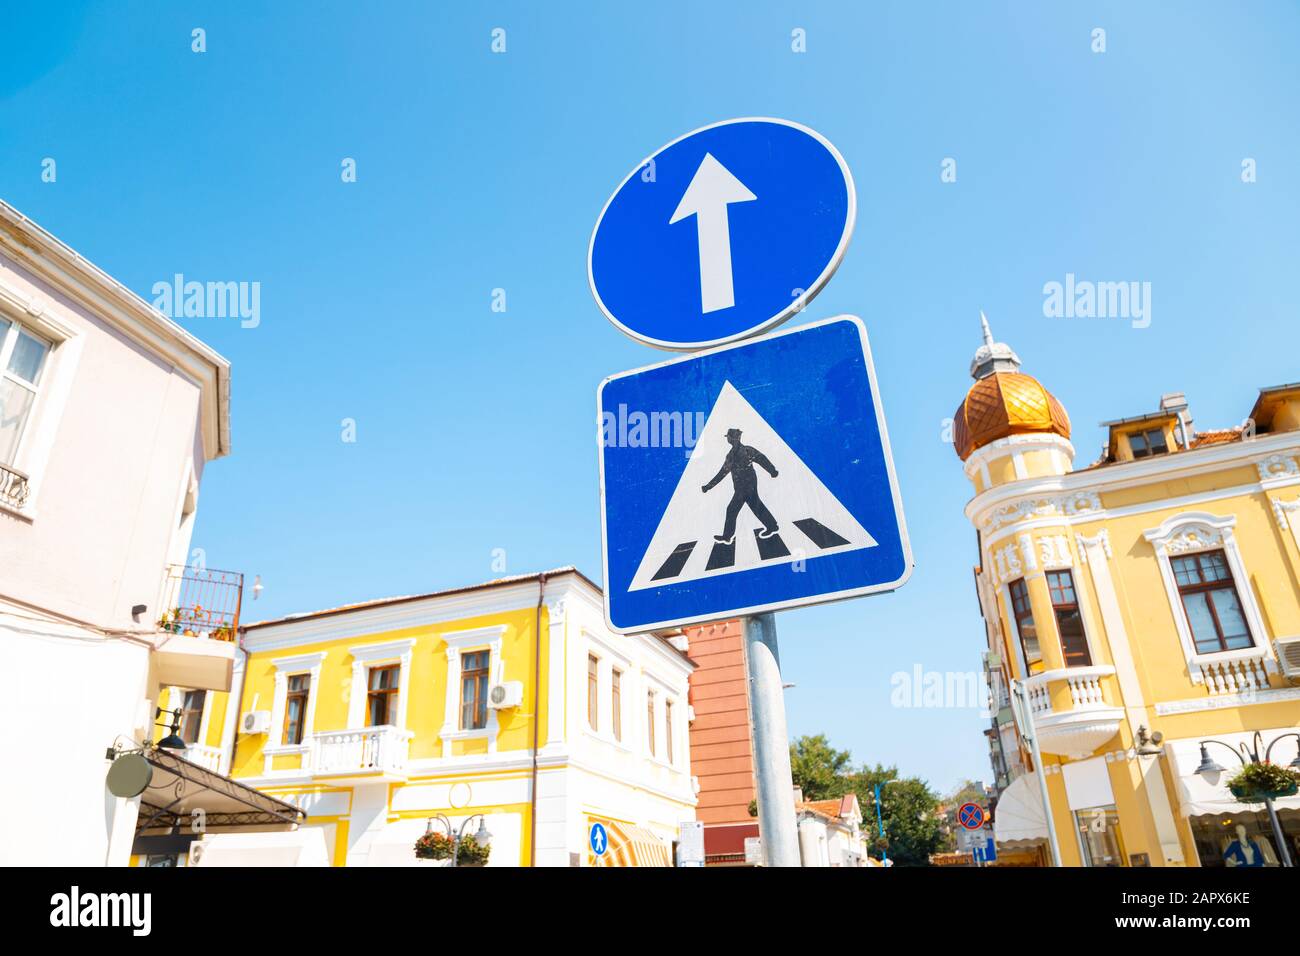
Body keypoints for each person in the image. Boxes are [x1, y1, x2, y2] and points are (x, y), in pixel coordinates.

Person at [701, 427, 779, 544]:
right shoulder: (735, 454)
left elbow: (761, 459)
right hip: (744, 485)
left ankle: (727, 536)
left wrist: (772, 470)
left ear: (733, 438)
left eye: (729, 437)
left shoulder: (743, 452)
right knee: (755, 505)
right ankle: (772, 526)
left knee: (733, 509)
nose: (728, 439)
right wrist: (708, 486)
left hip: (746, 485)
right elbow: (723, 473)